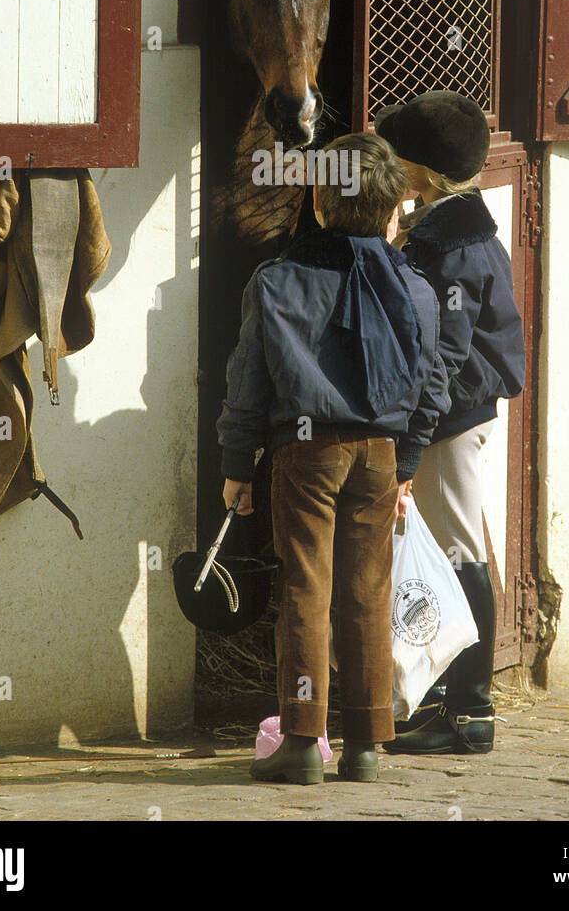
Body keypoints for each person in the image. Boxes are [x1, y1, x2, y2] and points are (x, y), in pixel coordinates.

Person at [217, 132, 450, 785]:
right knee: (365, 593)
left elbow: (247, 382)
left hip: (305, 450)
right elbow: (430, 387)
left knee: (304, 591)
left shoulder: (275, 279)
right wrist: (405, 463)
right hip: (378, 455)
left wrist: (238, 464)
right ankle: (368, 746)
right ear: (391, 209)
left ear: (318, 203)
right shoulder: (417, 291)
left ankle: (299, 742)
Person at [374, 91, 525, 757]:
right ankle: (446, 698)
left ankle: (469, 712)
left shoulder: (449, 246)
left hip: (450, 418)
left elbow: (442, 354)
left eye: (396, 158)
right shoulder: (450, 228)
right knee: (453, 549)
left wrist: (409, 436)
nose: (387, 167)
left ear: (427, 173)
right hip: (457, 413)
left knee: (460, 552)